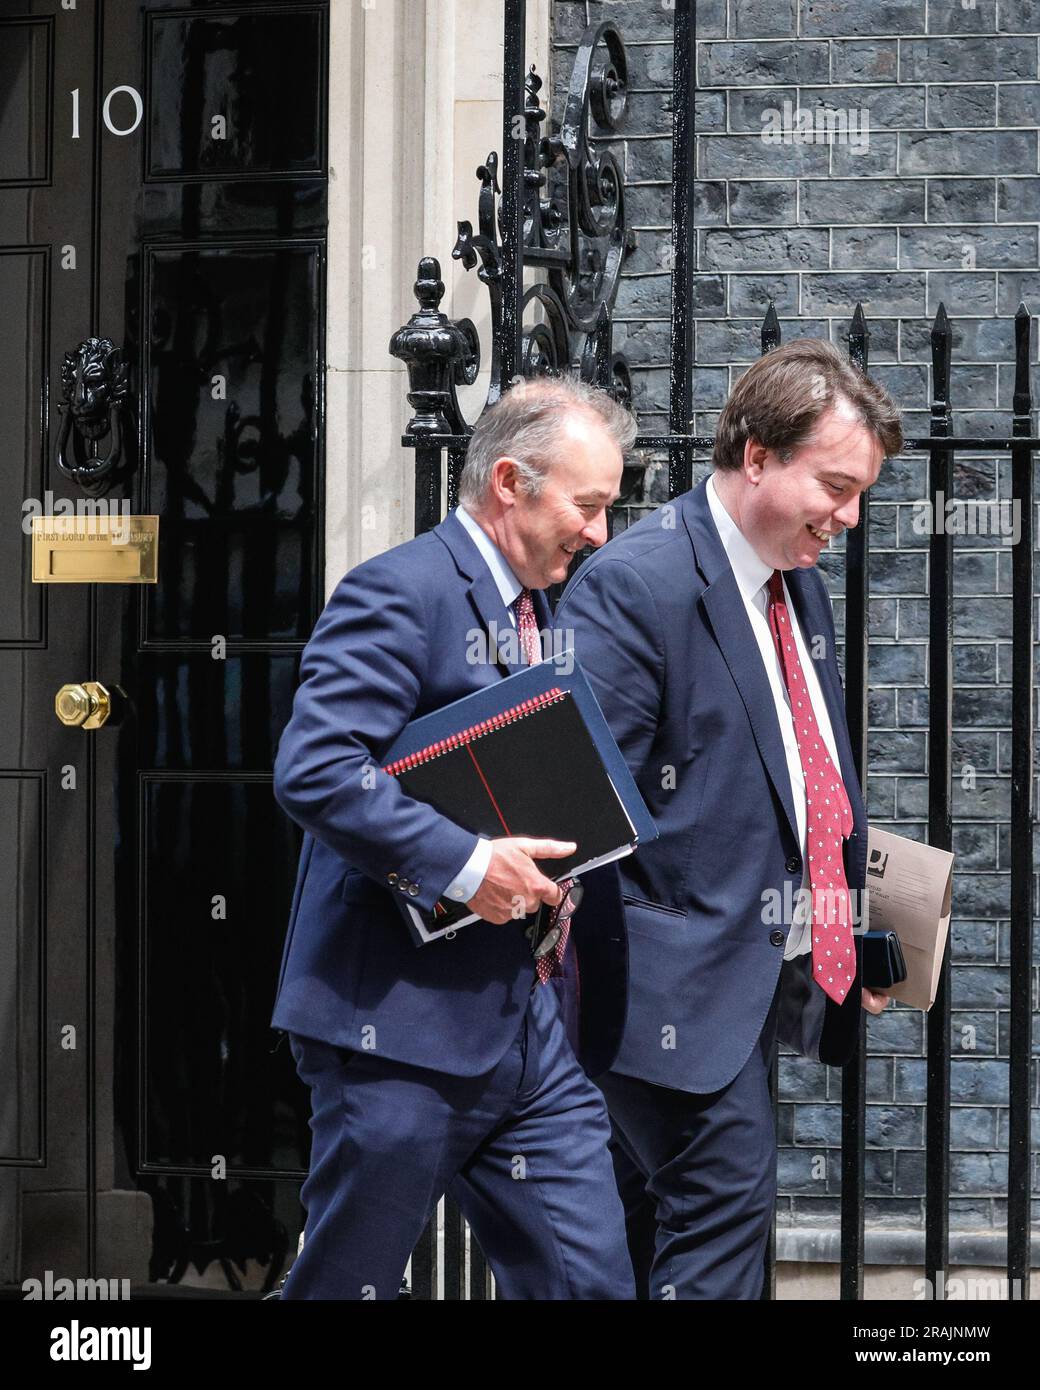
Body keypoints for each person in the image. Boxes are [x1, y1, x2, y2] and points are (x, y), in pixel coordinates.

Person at [270, 375, 638, 1299]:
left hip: (526, 1032)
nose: (599, 533)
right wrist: (469, 865)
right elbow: (315, 768)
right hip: (391, 1032)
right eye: (587, 506)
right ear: (510, 481)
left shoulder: (535, 606)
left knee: (588, 1284)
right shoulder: (399, 590)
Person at [555, 339, 904, 1299]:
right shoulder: (638, 583)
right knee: (723, 1210)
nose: (848, 517)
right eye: (834, 484)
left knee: (642, 1230)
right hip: (658, 995)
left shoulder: (796, 579)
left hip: (745, 977)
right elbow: (581, 812)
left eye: (860, 492)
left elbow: (803, 777)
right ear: (756, 456)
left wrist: (840, 933)